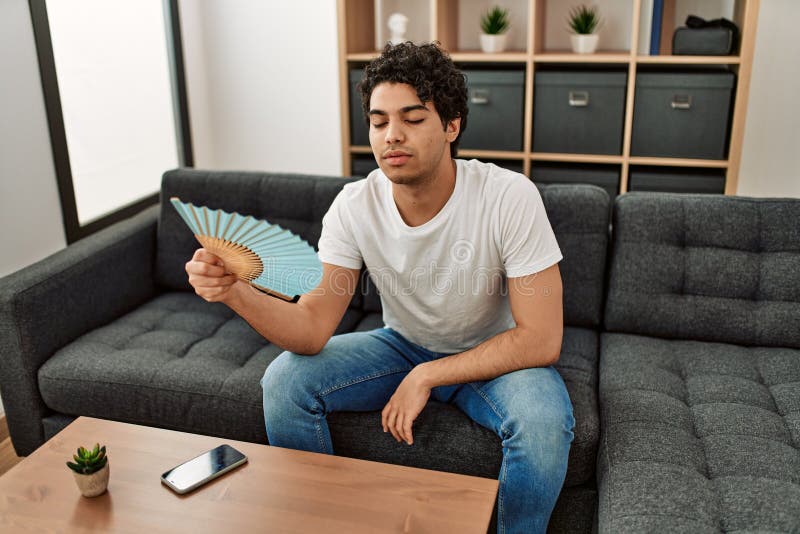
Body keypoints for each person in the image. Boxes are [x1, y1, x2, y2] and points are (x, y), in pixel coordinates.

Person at [185, 41, 574, 534]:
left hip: (495, 356)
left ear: (452, 126)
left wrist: (428, 375)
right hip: (402, 345)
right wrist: (235, 291)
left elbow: (541, 338)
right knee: (285, 382)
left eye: (413, 119)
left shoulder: (508, 197)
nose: (392, 136)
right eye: (379, 120)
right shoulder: (354, 206)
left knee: (542, 427)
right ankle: (325, 524)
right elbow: (310, 329)